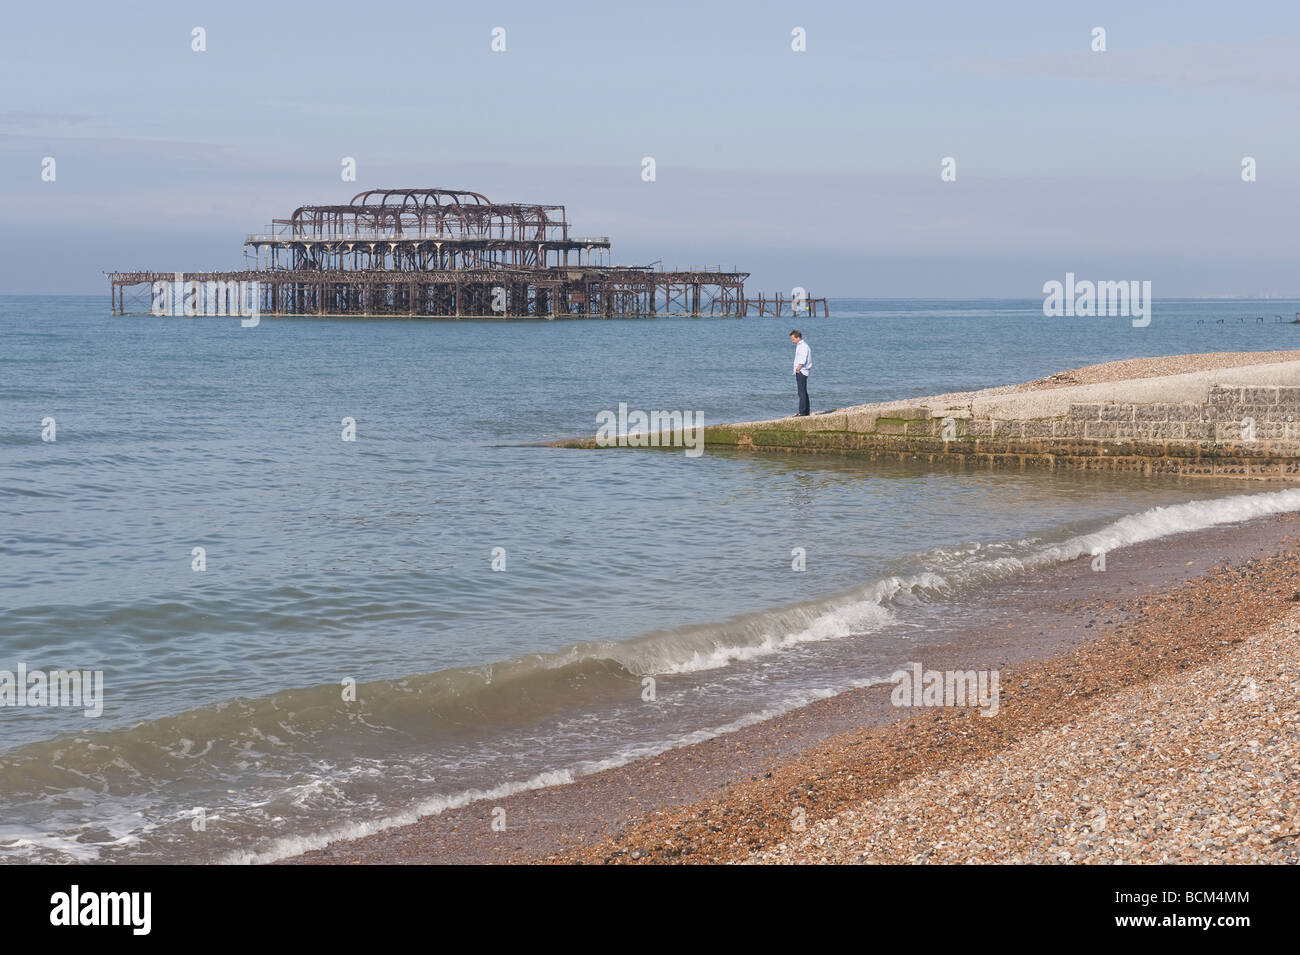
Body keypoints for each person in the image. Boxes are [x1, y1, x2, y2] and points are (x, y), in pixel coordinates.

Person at [790, 329, 811, 416]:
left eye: (793, 339)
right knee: (803, 391)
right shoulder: (800, 345)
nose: (792, 341)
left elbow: (803, 359)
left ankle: (802, 412)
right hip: (800, 370)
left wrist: (798, 369)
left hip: (802, 371)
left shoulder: (803, 346)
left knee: (801, 392)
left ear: (798, 337)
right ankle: (805, 411)